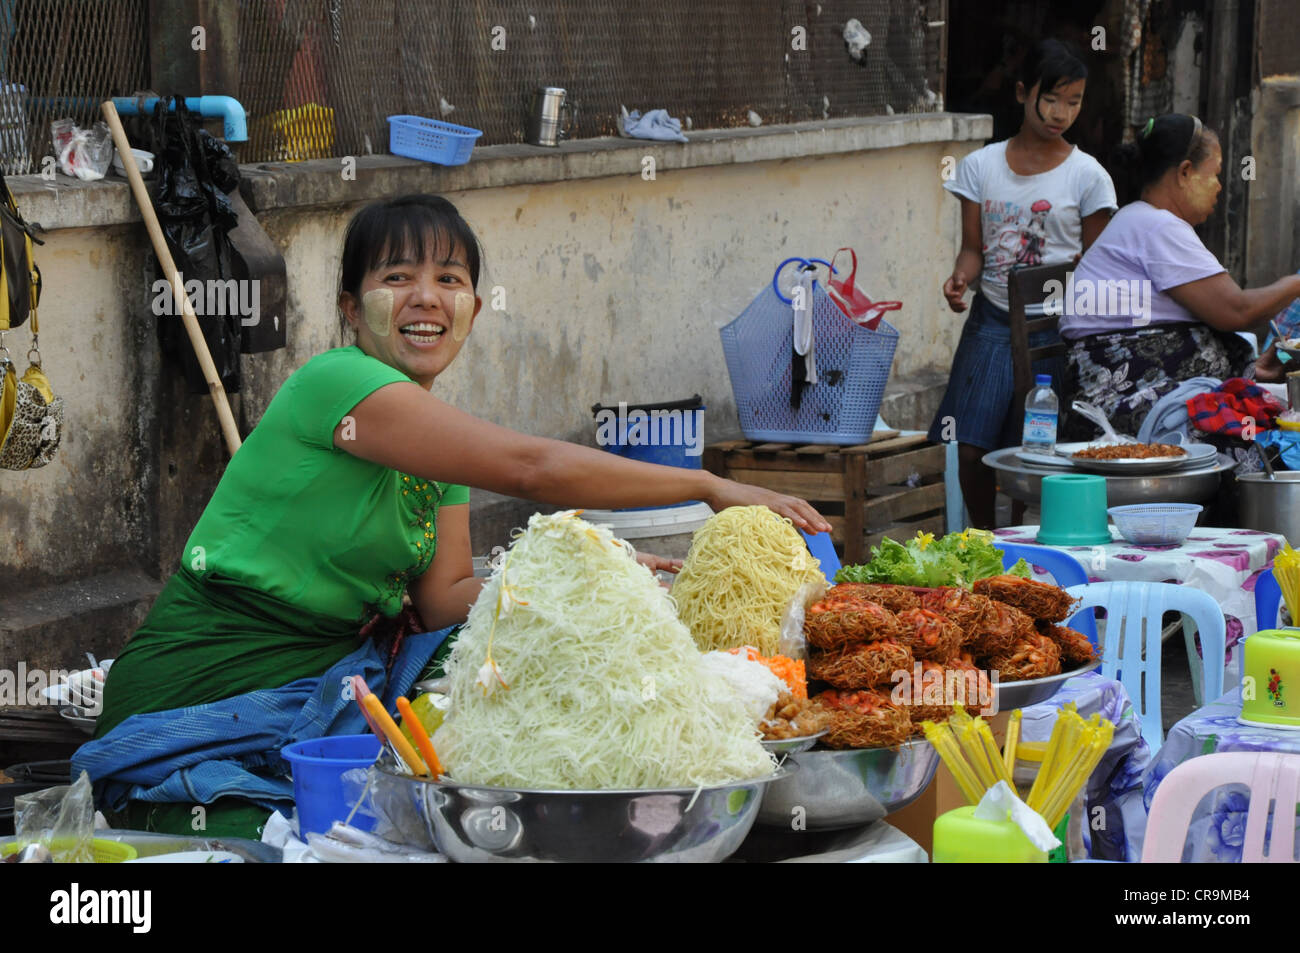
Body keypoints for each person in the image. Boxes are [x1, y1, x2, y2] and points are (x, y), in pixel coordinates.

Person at [76, 195, 830, 837]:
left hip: (320, 677)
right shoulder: (338, 383)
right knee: (286, 830)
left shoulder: (437, 454)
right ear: (350, 307)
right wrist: (705, 484)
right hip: (203, 681)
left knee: (515, 674)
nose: (426, 298)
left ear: (473, 304)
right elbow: (530, 468)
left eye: (450, 279)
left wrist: (589, 577)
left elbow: (448, 599)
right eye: (395, 278)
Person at [928, 38, 1117, 528]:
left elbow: (1097, 265)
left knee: (1029, 452)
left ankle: (1015, 541)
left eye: (1073, 102)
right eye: (1051, 98)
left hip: (1056, 327)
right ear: (1021, 92)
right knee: (969, 446)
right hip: (991, 318)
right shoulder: (980, 166)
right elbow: (974, 248)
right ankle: (983, 537)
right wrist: (960, 279)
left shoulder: (1089, 177)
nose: (1061, 113)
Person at [1059, 115, 1300, 439]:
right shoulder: (1155, 226)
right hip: (1120, 408)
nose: (1219, 186)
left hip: (1127, 398)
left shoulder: (1144, 221)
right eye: (1214, 174)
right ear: (1185, 172)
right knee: (1267, 437)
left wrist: (1254, 370)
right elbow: (1237, 312)